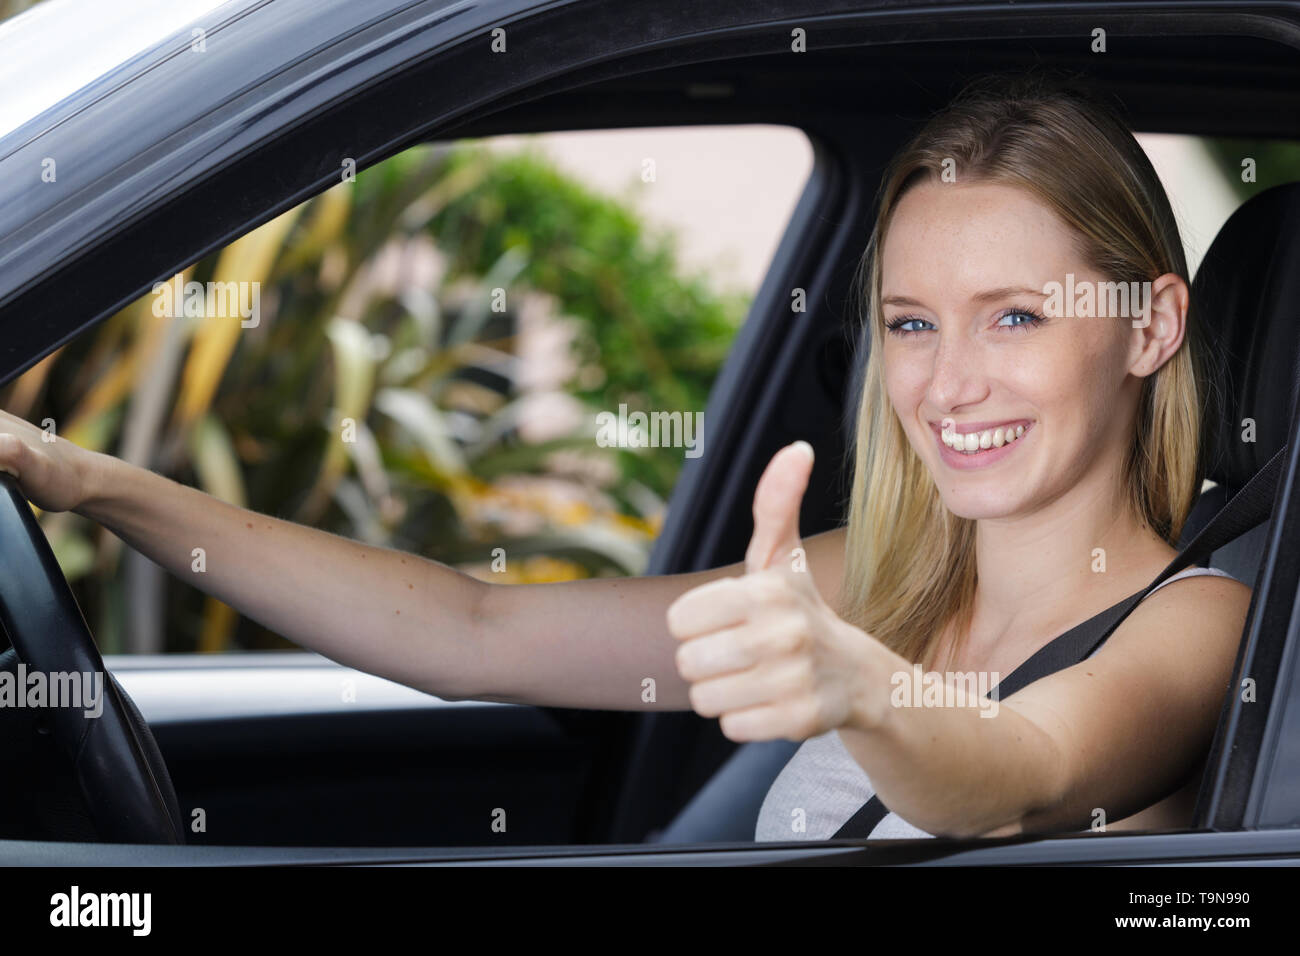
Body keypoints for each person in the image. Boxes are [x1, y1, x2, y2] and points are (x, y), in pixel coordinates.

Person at [0, 70, 1252, 845]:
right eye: (911, 323)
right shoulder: (877, 580)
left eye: (1016, 315)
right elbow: (469, 633)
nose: (947, 381)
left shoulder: (1198, 622)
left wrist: (863, 689)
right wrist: (91, 482)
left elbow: (1020, 779)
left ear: (1146, 327)